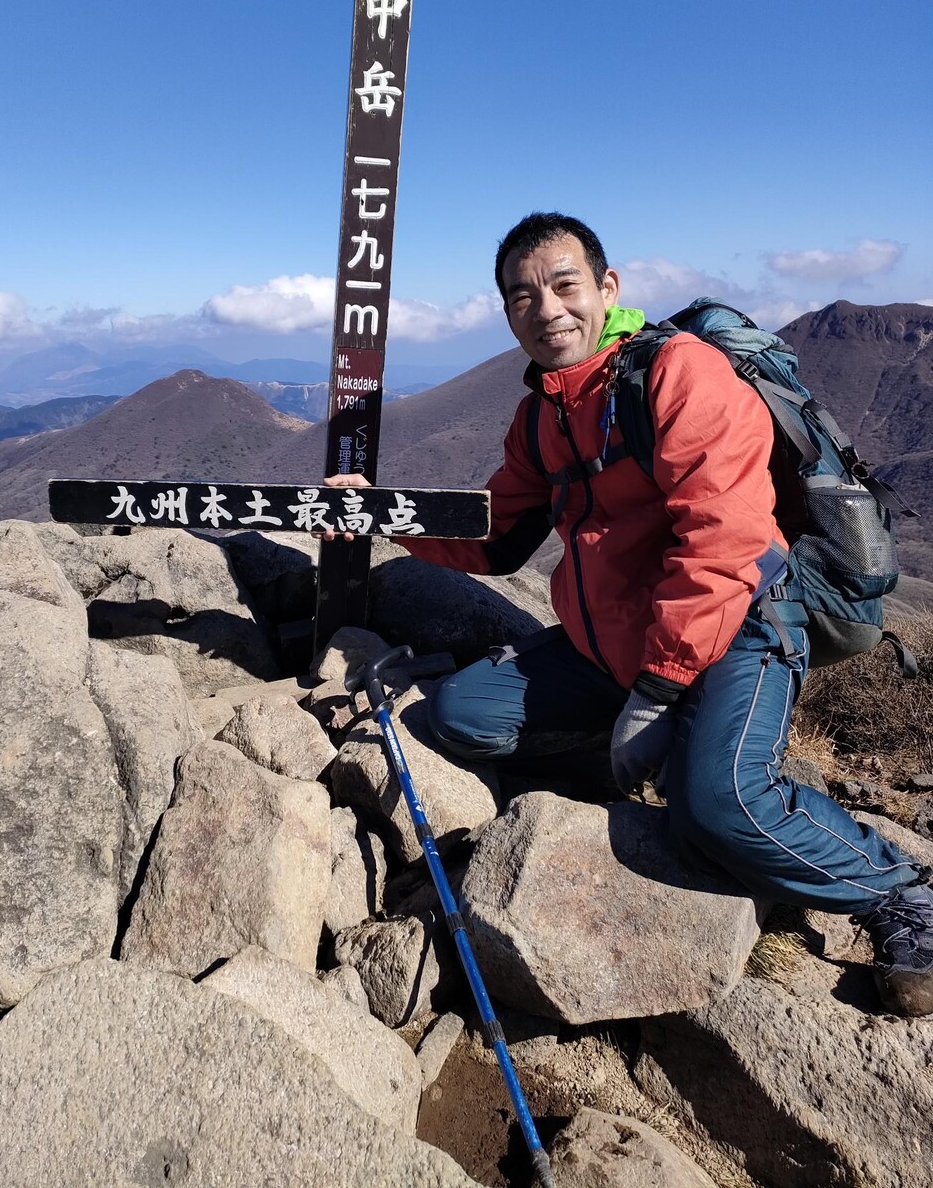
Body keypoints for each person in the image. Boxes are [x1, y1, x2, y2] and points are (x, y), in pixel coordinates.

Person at [326, 211, 933, 1017]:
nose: (545, 308)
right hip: (611, 643)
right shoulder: (543, 413)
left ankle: (898, 890)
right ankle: (645, 747)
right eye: (521, 297)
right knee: (460, 715)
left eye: (564, 284)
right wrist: (387, 517)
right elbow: (497, 531)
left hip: (740, 627)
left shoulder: (680, 375)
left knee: (717, 808)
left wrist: (660, 689)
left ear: (607, 288)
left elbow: (723, 544)